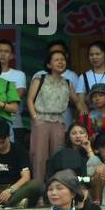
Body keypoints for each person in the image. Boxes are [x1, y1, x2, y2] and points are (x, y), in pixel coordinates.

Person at [27, 50, 80, 185]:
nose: (60, 62)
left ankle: (56, 187)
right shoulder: (40, 79)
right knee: (40, 157)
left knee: (57, 155)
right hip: (41, 120)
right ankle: (38, 190)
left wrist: (85, 112)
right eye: (56, 60)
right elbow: (29, 100)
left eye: (62, 59)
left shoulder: (67, 83)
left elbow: (78, 101)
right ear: (49, 64)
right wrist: (35, 118)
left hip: (58, 121)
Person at [0, 120, 39, 209]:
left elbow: (26, 176)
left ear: (9, 137)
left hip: (16, 189)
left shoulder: (19, 149)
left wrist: (10, 190)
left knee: (37, 184)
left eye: (3, 142)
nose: (0, 146)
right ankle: (14, 204)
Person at [0, 39, 29, 138]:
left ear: (12, 55)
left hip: (15, 123)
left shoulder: (19, 75)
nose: (2, 54)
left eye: (6, 51)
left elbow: (16, 97)